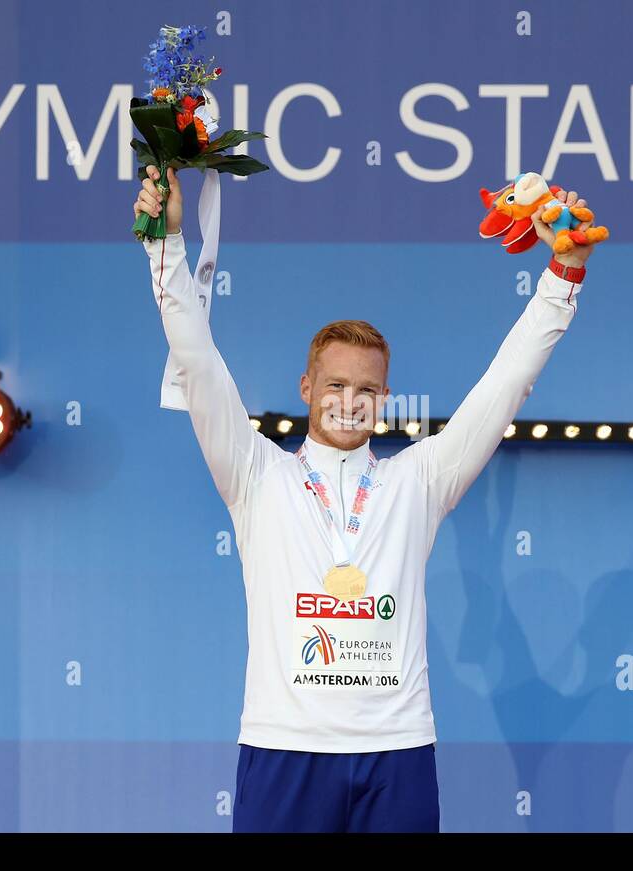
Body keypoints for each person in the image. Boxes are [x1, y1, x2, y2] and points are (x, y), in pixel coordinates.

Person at [135, 165, 595, 832]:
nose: (350, 401)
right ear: (305, 386)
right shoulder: (255, 475)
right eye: (336, 385)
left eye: (368, 389)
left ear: (385, 399)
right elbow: (198, 360)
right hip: (286, 748)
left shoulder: (419, 481)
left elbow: (504, 386)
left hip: (397, 751)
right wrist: (167, 243)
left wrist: (563, 279)